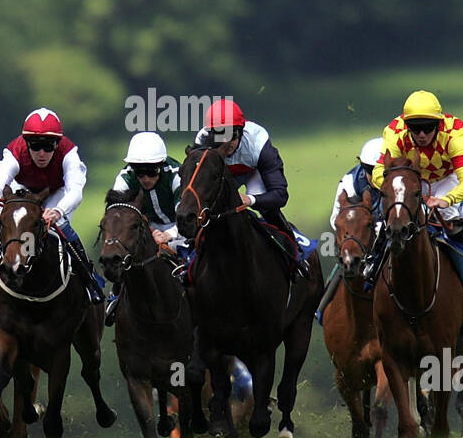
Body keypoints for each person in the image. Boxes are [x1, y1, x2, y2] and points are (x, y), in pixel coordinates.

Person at [0, 108, 104, 308]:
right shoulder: (14, 152)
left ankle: (89, 280)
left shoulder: (69, 154)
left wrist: (59, 210)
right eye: (35, 146)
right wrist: (0, 214)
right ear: (26, 143)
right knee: (8, 229)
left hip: (55, 193)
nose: (42, 153)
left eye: (48, 146)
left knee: (59, 226)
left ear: (57, 144)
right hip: (23, 192)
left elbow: (75, 191)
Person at [367, 91, 463, 288]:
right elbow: (380, 171)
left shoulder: (455, 134)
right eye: (415, 129)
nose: (422, 134)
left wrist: (447, 199)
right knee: (394, 215)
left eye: (427, 127)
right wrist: (395, 189)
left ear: (439, 124)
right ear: (406, 126)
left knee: (446, 213)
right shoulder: (395, 131)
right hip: (412, 179)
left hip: (446, 178)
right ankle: (372, 267)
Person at [191, 98, 308, 278]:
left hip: (252, 173)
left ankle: (294, 258)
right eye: (220, 136)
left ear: (241, 132)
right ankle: (188, 263)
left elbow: (280, 195)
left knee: (269, 210)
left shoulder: (258, 142)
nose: (227, 143)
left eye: (232, 135)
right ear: (211, 134)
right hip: (221, 175)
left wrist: (250, 200)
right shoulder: (203, 141)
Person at [103, 132, 186, 325]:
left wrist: (168, 235)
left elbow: (186, 219)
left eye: (152, 172)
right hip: (147, 229)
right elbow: (116, 216)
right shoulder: (125, 177)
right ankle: (116, 295)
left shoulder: (176, 175)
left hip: (179, 227)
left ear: (161, 165)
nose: (146, 178)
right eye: (140, 172)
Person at [314, 137, 385, 322]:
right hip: (359, 239)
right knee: (345, 261)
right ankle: (322, 308)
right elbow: (336, 218)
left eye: (380, 171)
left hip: (389, 238)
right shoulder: (349, 181)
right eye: (369, 170)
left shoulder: (395, 182)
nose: (373, 176)